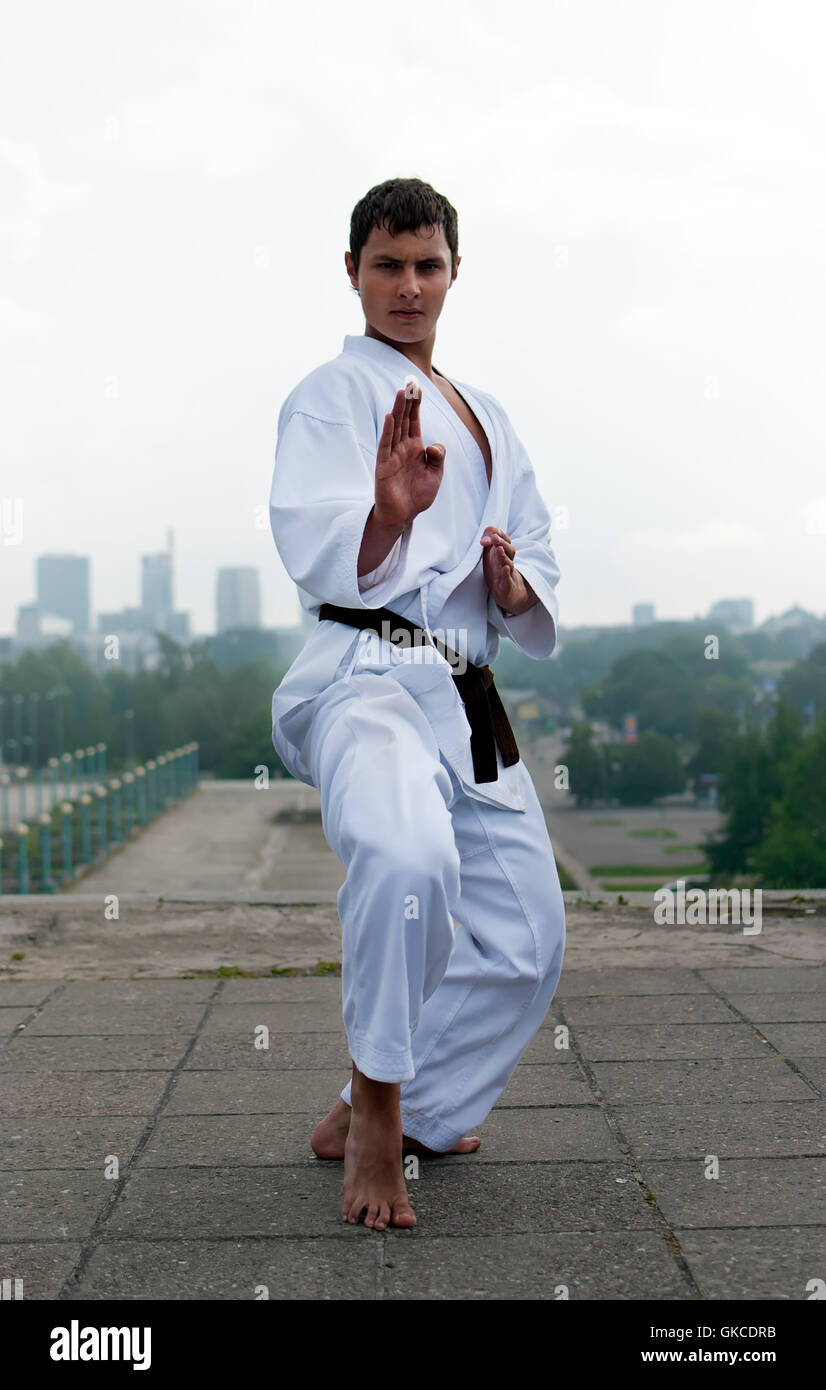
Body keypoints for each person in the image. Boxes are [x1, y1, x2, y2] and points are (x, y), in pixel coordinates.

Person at [269, 177, 566, 1232]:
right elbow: (319, 548)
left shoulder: (487, 417)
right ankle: (383, 1122)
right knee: (405, 862)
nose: (408, 284)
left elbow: (535, 555)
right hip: (365, 685)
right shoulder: (328, 397)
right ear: (351, 270)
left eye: (426, 264)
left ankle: (401, 1105)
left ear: (452, 273)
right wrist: (387, 516)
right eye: (387, 263)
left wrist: (511, 583)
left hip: (463, 692)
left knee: (530, 936)